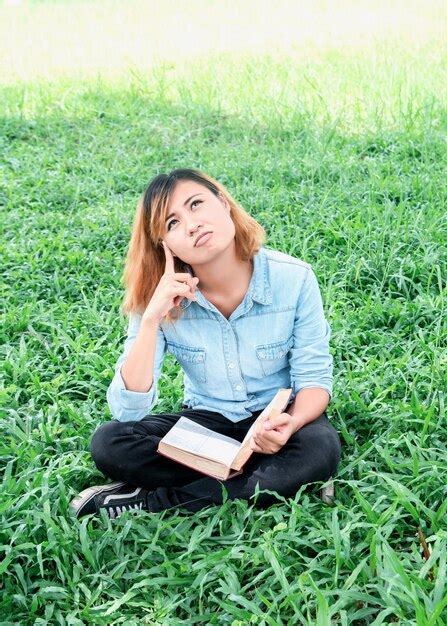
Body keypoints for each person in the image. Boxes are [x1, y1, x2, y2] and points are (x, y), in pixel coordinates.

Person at [69, 168, 342, 519]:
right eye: (173, 223)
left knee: (320, 450)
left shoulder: (294, 277)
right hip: (206, 424)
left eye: (196, 204)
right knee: (110, 442)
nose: (192, 224)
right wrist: (151, 319)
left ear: (224, 204)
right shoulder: (160, 299)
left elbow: (315, 379)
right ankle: (263, 481)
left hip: (275, 421)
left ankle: (150, 502)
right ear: (164, 245)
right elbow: (128, 411)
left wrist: (291, 422)